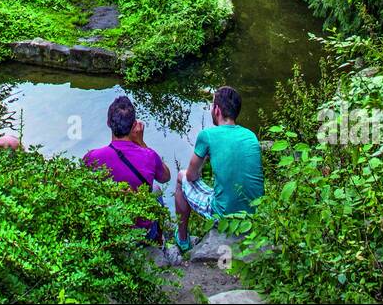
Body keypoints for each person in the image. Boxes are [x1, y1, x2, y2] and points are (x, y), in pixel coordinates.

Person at [174, 86, 264, 252]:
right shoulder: (251, 135)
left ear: (217, 110)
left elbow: (192, 176)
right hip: (254, 214)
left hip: (224, 215)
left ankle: (182, 239)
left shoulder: (207, 135)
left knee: (181, 176)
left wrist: (205, 159)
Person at [84, 96, 171, 240]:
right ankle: (158, 242)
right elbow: (165, 177)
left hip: (108, 232)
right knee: (156, 190)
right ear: (134, 126)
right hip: (142, 235)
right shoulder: (149, 156)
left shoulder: (91, 158)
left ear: (108, 123)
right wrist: (141, 143)